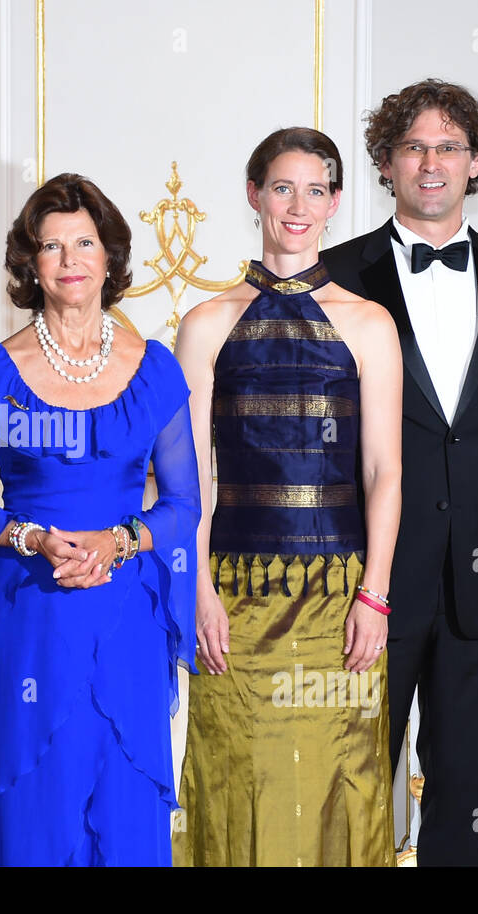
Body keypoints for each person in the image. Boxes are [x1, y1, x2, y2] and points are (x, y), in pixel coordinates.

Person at [321, 80, 478, 866]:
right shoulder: (337, 276)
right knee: (350, 783)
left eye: (450, 147)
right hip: (370, 582)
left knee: (465, 794)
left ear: (476, 163)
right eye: (414, 147)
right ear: (387, 165)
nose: (432, 163)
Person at [173, 128, 402, 866]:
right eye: (281, 187)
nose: (296, 206)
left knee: (342, 780)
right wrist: (198, 587)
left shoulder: (370, 324)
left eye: (314, 190)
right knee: (235, 776)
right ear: (254, 195)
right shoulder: (205, 325)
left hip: (340, 599)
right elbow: (192, 474)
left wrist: (375, 595)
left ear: (335, 202)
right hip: (235, 597)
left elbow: (385, 473)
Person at [0, 173, 199, 866]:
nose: (70, 260)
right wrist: (31, 536)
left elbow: (183, 505)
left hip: (126, 612)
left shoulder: (155, 369)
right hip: (30, 611)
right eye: (52, 246)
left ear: (110, 256)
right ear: (30, 264)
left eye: (85, 242)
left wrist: (123, 540)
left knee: (123, 805)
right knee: (36, 801)